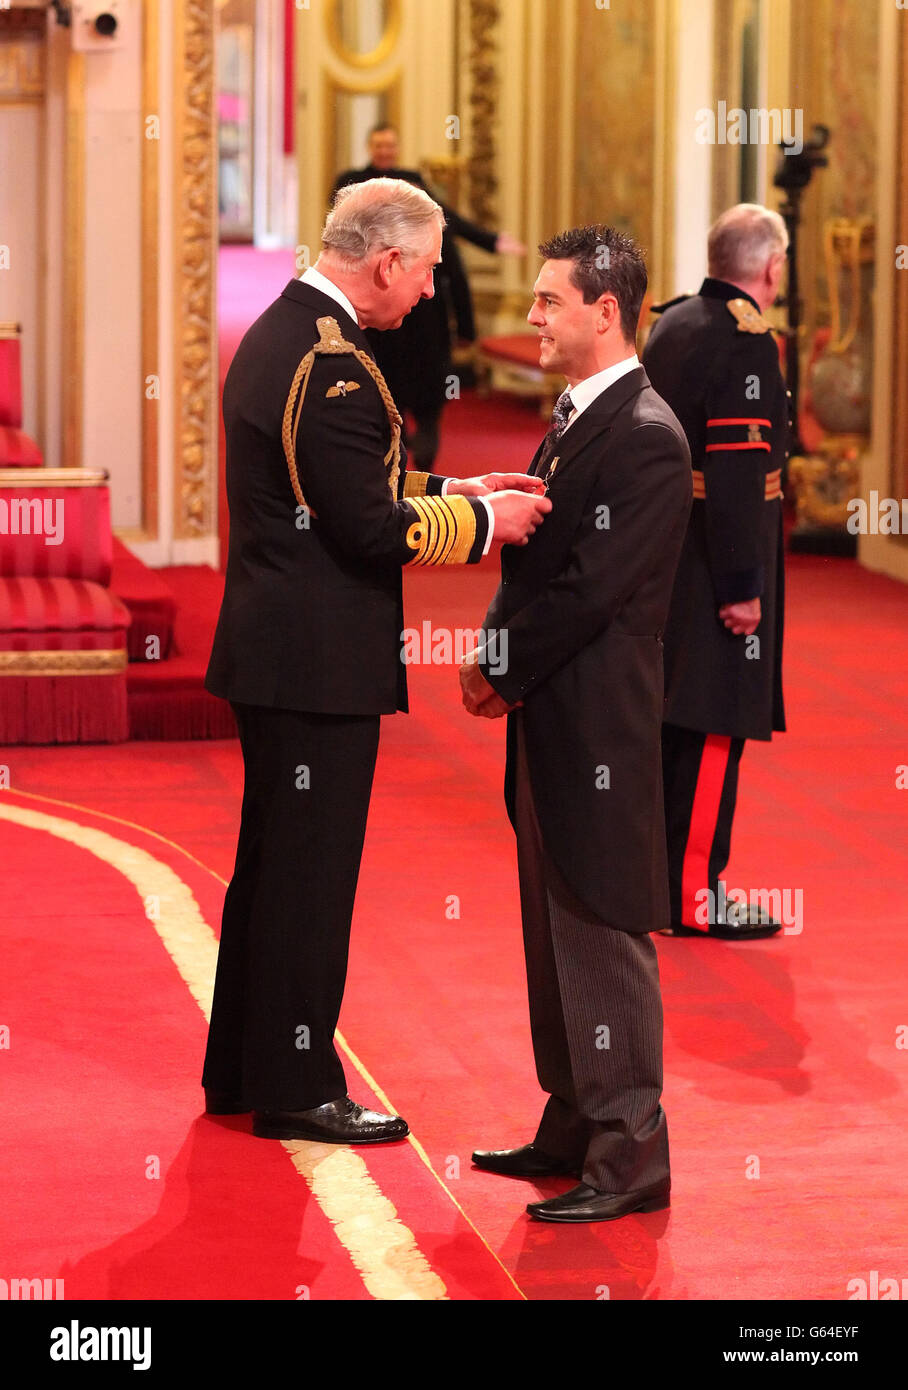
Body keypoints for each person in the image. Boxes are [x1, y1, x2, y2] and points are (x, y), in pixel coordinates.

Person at [203, 177, 550, 1145]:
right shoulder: (337, 363)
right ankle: (299, 1085)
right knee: (306, 883)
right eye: (429, 268)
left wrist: (457, 482)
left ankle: (244, 1065)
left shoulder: (295, 333)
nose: (431, 289)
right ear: (387, 261)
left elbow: (349, 476)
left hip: (278, 650)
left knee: (273, 872)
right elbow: (367, 525)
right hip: (313, 661)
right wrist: (488, 520)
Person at [460, 225, 692, 1223]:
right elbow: (539, 560)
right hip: (551, 710)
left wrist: (496, 668)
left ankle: (629, 1149)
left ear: (605, 310)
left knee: (599, 922)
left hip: (597, 721)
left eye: (548, 301)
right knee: (550, 920)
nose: (531, 316)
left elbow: (590, 589)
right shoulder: (577, 412)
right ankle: (572, 1118)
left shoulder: (645, 431)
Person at [642, 203, 788, 941]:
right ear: (770, 267)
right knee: (712, 723)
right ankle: (694, 894)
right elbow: (735, 471)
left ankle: (660, 881)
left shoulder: (673, 321)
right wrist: (742, 588)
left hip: (671, 546)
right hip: (715, 560)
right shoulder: (745, 341)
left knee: (675, 717)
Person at [333, 123, 525, 468]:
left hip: (425, 327)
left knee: (425, 404)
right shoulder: (353, 185)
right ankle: (402, 465)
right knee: (389, 400)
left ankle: (417, 472)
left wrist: (491, 241)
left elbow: (452, 237)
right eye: (379, 144)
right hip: (385, 323)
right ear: (369, 145)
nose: (385, 150)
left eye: (390, 144)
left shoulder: (422, 207)